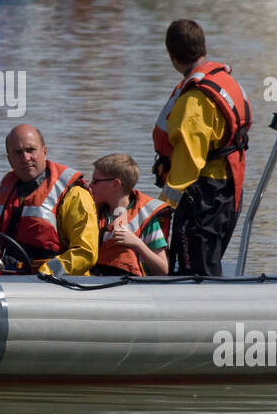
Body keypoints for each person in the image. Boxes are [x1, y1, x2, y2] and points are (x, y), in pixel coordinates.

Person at [152, 19, 252, 277]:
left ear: (172, 56)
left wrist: (163, 210)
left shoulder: (194, 100)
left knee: (195, 271)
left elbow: (188, 163)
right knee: (206, 262)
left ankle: (202, 313)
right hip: (228, 190)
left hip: (203, 197)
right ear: (202, 48)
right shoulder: (227, 81)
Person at [0, 124, 98, 276]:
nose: (25, 158)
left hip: (55, 283)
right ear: (9, 160)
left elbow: (85, 252)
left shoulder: (74, 194)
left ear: (44, 152)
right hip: (9, 277)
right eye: (18, 153)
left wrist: (45, 273)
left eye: (30, 150)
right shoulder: (7, 191)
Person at [89, 153, 170, 276]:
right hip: (93, 284)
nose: (90, 185)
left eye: (96, 181)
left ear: (115, 184)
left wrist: (137, 244)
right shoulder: (91, 210)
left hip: (132, 288)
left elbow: (163, 270)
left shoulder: (145, 217)